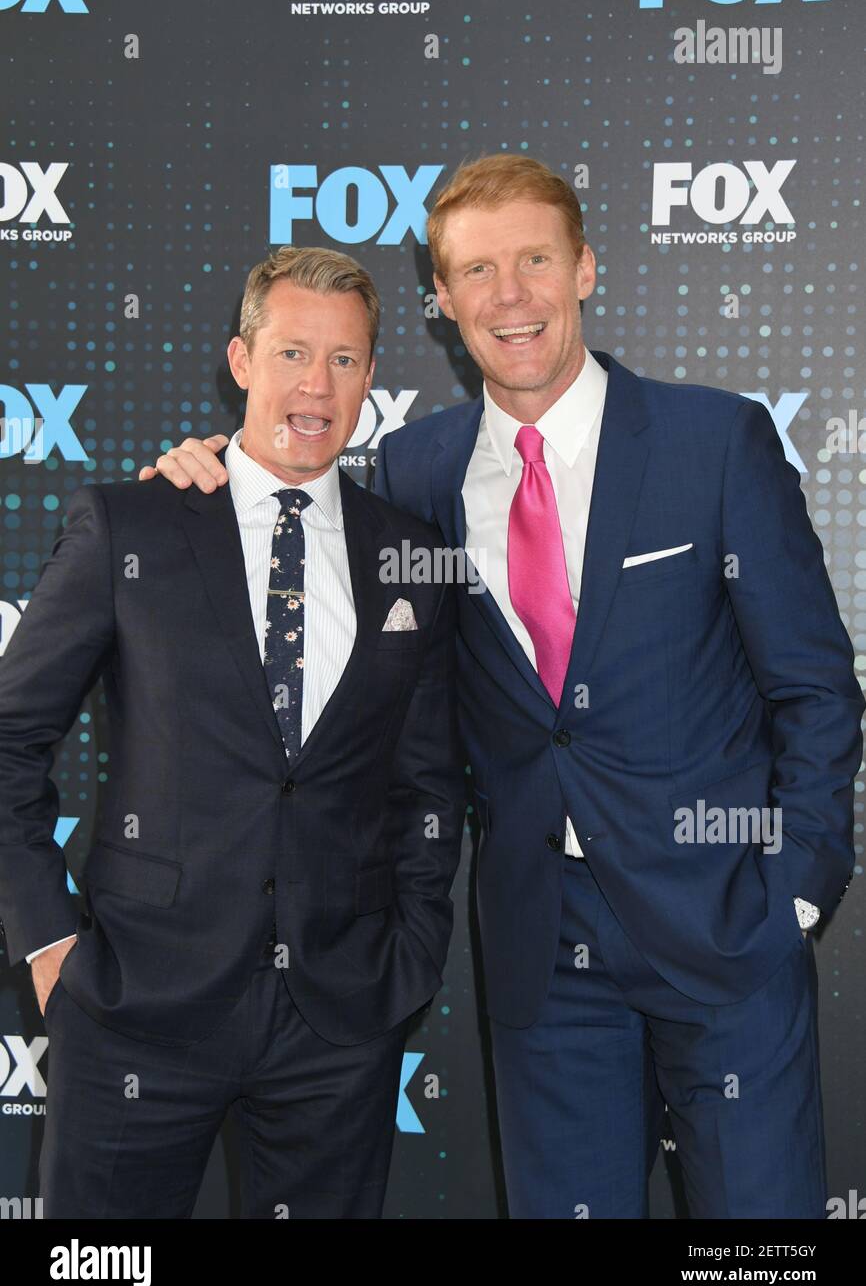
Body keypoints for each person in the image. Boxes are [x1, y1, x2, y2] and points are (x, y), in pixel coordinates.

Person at [142, 155, 864, 1219]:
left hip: (725, 931)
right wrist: (199, 477)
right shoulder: (415, 474)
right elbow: (287, 512)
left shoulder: (712, 442)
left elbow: (813, 685)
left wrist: (791, 886)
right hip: (542, 948)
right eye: (475, 270)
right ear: (441, 301)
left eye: (533, 259)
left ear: (584, 269)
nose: (507, 294)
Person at [0, 245, 464, 1219]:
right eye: (293, 352)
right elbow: (8, 742)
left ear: (372, 375)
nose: (316, 384)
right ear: (241, 361)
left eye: (344, 359)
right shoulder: (131, 524)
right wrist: (49, 943)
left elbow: (426, 785)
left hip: (338, 1027)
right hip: (134, 1008)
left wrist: (409, 953)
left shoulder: (412, 558)